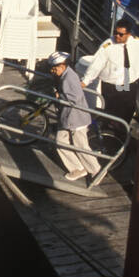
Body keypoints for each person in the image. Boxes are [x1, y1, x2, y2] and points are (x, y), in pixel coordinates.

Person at [81, 22, 139, 126]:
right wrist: (85, 81)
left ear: (129, 34)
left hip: (129, 84)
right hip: (112, 86)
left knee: (128, 112)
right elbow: (96, 65)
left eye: (121, 34)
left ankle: (121, 135)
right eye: (115, 33)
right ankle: (109, 135)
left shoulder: (137, 43)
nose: (117, 36)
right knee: (111, 114)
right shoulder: (108, 45)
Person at [49, 51, 101, 182]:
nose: (53, 71)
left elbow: (75, 98)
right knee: (60, 142)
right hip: (68, 117)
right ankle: (77, 168)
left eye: (55, 68)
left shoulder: (69, 78)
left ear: (62, 66)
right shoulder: (64, 76)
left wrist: (59, 96)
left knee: (81, 145)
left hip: (76, 118)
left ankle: (96, 170)